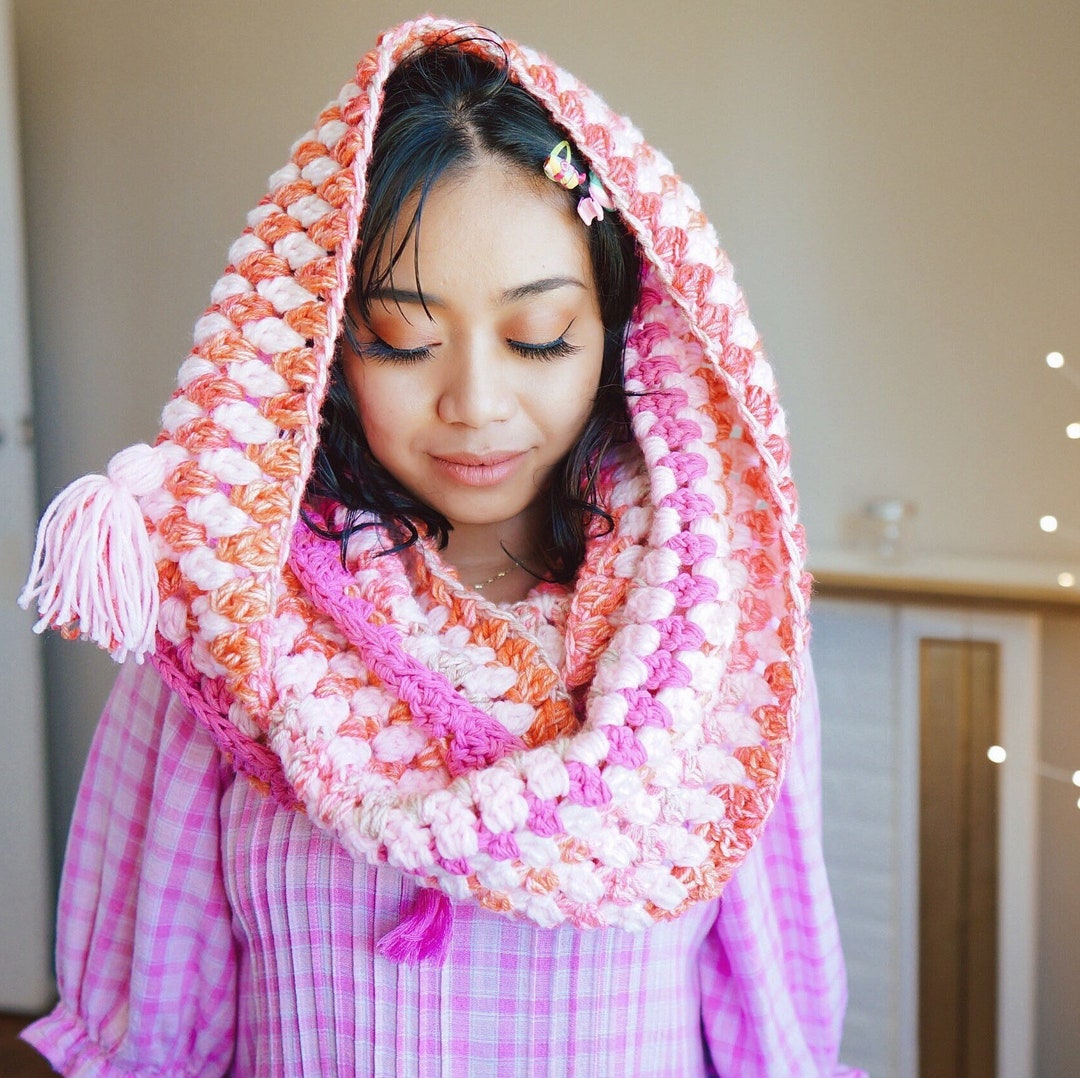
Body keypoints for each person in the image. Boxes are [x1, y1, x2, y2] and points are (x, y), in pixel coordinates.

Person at [20, 17, 860, 1077]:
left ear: (616, 332)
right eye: (403, 339)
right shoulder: (228, 627)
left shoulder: (722, 647)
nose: (474, 403)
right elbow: (147, 1037)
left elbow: (771, 1035)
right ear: (327, 348)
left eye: (538, 338)